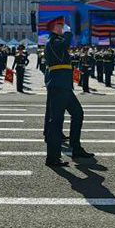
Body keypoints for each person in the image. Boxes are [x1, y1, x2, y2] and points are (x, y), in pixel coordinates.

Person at [43, 17, 93, 167]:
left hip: (64, 85)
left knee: (78, 113)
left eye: (62, 26)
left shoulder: (57, 41)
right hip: (58, 86)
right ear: (53, 28)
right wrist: (69, 33)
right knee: (56, 122)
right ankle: (52, 158)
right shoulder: (53, 41)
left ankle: (75, 148)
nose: (62, 28)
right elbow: (65, 43)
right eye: (59, 25)